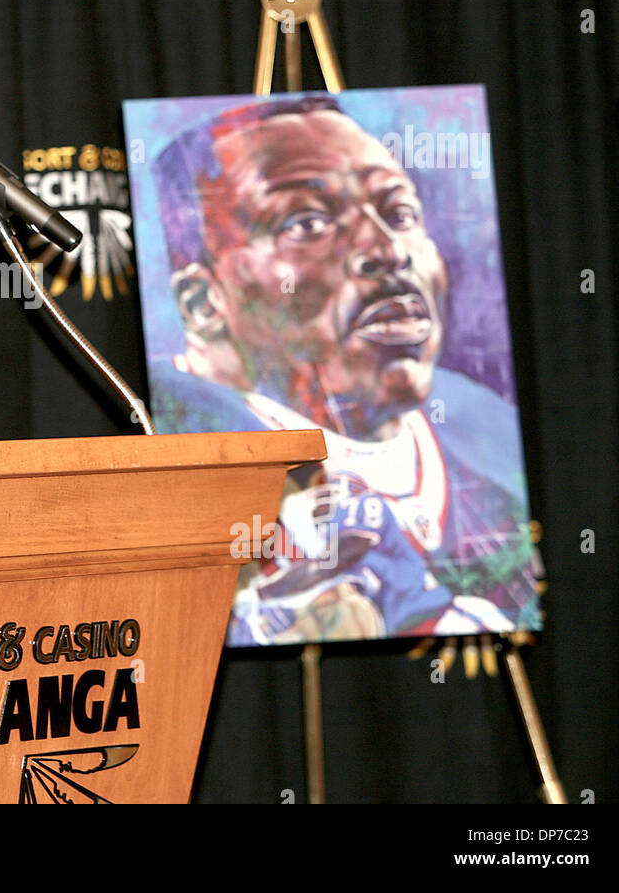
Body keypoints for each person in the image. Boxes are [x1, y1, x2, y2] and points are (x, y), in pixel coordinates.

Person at [148, 96, 537, 643]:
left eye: (399, 214)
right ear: (202, 304)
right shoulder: (173, 459)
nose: (386, 249)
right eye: (306, 222)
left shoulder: (492, 434)